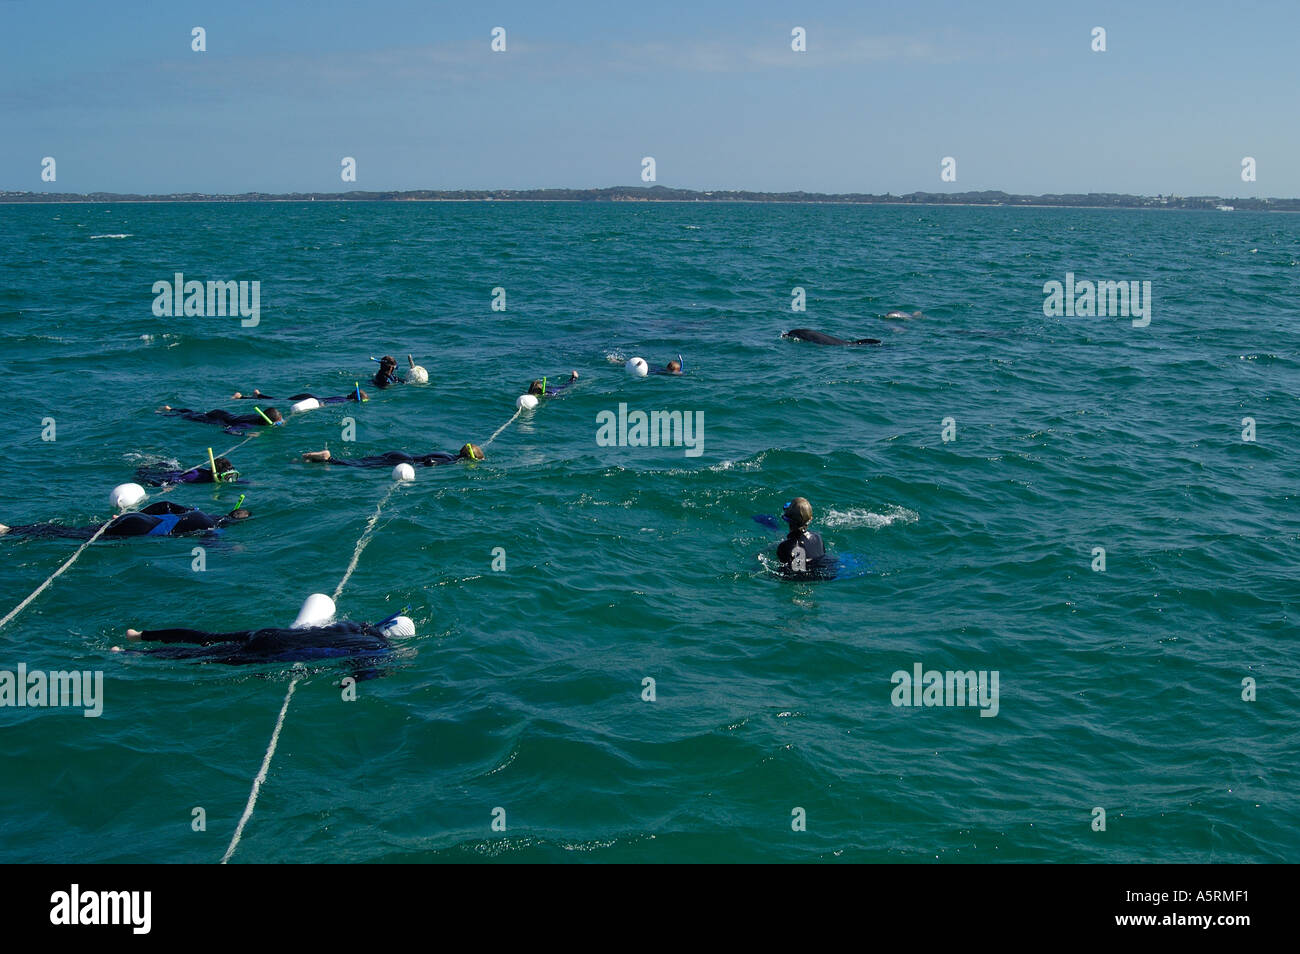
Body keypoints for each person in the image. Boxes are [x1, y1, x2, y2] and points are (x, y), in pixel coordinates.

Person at [122, 598, 415, 667]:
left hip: (270, 633)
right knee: (204, 658)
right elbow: (359, 672)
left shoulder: (359, 625)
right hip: (275, 652)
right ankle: (129, 654)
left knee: (206, 638)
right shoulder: (376, 649)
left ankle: (140, 635)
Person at [0, 501, 250, 540]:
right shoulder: (211, 526)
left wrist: (137, 511)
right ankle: (11, 531)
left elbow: (165, 505)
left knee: (80, 531)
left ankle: (12, 529)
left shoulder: (200, 511)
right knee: (75, 536)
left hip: (140, 517)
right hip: (141, 527)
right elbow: (213, 543)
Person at [775, 497, 834, 577]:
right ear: (810, 519)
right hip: (825, 573)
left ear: (787, 519)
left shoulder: (784, 547)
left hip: (799, 579)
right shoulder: (817, 537)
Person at [301, 443, 485, 466]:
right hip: (404, 461)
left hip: (401, 454)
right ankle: (330, 459)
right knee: (362, 466)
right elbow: (430, 461)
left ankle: (321, 459)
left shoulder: (448, 452)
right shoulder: (451, 461)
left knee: (363, 461)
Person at [159, 405, 283, 433]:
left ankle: (170, 409)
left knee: (193, 413)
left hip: (223, 413)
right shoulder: (249, 425)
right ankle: (166, 413)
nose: (281, 421)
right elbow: (228, 430)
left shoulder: (258, 417)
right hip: (219, 419)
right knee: (189, 417)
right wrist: (244, 435)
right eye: (279, 419)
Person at [135, 456, 239, 487]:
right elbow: (177, 479)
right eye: (227, 476)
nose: (230, 479)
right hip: (175, 475)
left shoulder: (225, 474)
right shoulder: (197, 476)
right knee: (145, 478)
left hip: (182, 472)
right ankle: (143, 467)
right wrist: (169, 486)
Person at [231, 388, 368, 404]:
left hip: (310, 396)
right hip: (309, 400)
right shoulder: (344, 402)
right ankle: (242, 397)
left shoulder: (343, 397)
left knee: (281, 400)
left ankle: (257, 396)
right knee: (280, 401)